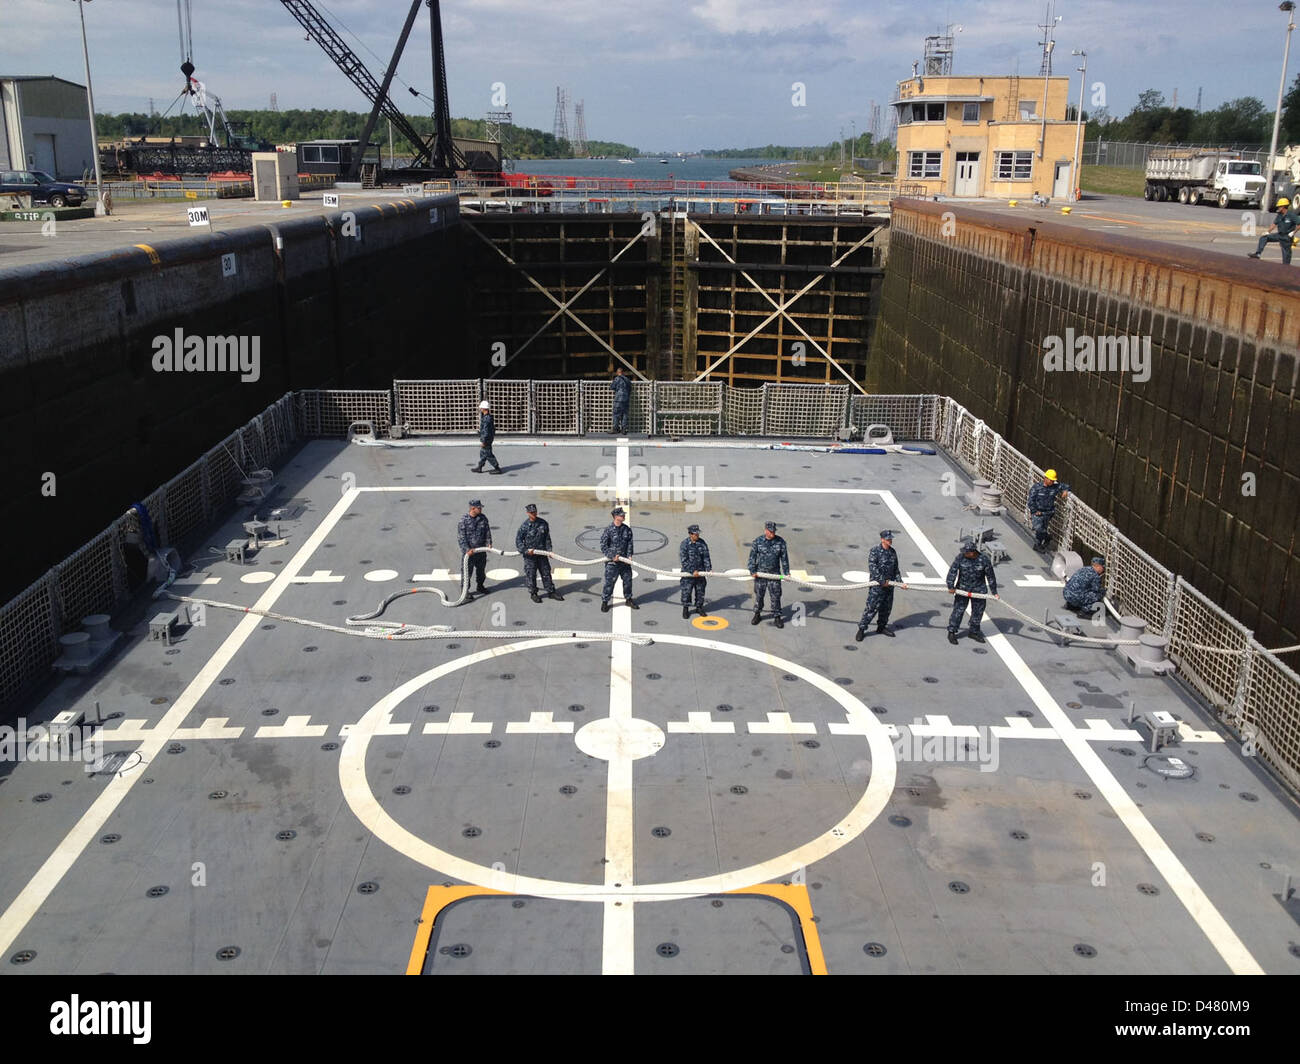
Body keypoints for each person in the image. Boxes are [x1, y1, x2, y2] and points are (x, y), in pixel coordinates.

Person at [856, 529, 908, 640]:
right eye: (888, 539)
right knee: (871, 608)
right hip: (877, 588)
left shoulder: (893, 552)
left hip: (889, 587)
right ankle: (862, 629)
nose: (890, 540)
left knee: (886, 609)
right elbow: (873, 568)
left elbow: (896, 570)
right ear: (882, 539)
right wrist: (882, 581)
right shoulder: (875, 551)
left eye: (891, 539)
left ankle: (881, 627)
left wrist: (900, 582)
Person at [946, 537, 998, 644]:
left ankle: (973, 632)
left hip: (979, 590)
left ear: (972, 553)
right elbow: (953, 571)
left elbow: (991, 577)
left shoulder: (984, 560)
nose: (964, 553)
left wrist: (994, 592)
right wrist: (950, 586)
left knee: (977, 612)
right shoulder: (961, 557)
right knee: (958, 611)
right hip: (962, 589)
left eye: (966, 552)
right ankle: (952, 631)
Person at [516, 504, 564, 603]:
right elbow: (518, 540)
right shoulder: (525, 526)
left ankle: (551, 592)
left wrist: (549, 550)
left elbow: (547, 538)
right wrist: (525, 550)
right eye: (531, 512)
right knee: (531, 574)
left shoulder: (543, 523)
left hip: (542, 554)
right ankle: (533, 593)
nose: (534, 514)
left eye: (535, 512)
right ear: (528, 513)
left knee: (546, 573)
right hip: (530, 557)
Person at [748, 521, 790, 628]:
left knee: (776, 596)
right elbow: (752, 557)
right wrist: (752, 570)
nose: (772, 533)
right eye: (770, 531)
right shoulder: (758, 542)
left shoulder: (780, 542)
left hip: (774, 575)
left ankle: (777, 617)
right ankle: (757, 614)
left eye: (774, 531)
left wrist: (786, 573)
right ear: (766, 530)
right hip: (760, 574)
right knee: (759, 596)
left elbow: (784, 559)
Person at [599, 507, 636, 612]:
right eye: (621, 515)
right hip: (612, 563)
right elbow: (603, 545)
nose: (623, 516)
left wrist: (629, 555)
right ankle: (605, 602)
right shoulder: (609, 530)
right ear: (615, 517)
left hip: (624, 562)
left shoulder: (627, 529)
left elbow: (630, 543)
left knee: (628, 581)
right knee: (609, 583)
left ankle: (628, 599)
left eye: (623, 514)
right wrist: (612, 556)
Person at [1027, 469, 1068, 552]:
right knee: (1038, 528)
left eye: (1053, 481)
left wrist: (1065, 490)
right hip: (1038, 512)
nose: (1052, 482)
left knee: (1043, 528)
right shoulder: (1037, 487)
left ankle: (1038, 545)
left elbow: (1065, 485)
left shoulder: (1054, 487)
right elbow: (1031, 500)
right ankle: (1047, 537)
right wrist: (1035, 510)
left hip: (1048, 513)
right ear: (1046, 478)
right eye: (1051, 480)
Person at [457, 499, 492, 597]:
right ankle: (465, 592)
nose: (481, 509)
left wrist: (489, 543)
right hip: (470, 554)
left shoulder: (483, 518)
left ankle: (480, 586)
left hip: (481, 552)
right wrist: (467, 550)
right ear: (473, 508)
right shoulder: (464, 521)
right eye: (479, 508)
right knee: (467, 573)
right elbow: (461, 538)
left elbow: (487, 531)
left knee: (481, 571)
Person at [1247, 196, 1298, 265]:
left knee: (1286, 255)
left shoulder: (1291, 215)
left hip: (1287, 237)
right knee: (1264, 238)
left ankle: (1286, 267)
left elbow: (1299, 224)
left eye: (1279, 207)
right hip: (1279, 235)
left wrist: (1293, 232)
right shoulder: (1280, 215)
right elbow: (1274, 224)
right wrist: (1268, 231)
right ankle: (1258, 254)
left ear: (1283, 207)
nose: (1278, 208)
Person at [679, 523, 711, 619]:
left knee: (700, 591)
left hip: (700, 573)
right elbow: (684, 561)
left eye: (698, 534)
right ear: (690, 534)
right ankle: (685, 609)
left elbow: (706, 557)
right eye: (695, 534)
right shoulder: (684, 544)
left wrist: (708, 568)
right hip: (688, 574)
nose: (697, 535)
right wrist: (692, 571)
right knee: (686, 592)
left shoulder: (702, 543)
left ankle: (699, 607)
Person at [472, 400, 503, 474]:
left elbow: (486, 431)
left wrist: (484, 441)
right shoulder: (489, 417)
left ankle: (497, 468)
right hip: (488, 438)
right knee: (483, 452)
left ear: (483, 408)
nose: (480, 409)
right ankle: (480, 467)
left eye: (481, 408)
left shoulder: (486, 419)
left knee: (488, 454)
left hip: (487, 439)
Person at [611, 366, 632, 434]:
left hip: (618, 399)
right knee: (625, 414)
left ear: (617, 373)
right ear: (623, 373)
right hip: (626, 399)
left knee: (616, 414)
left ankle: (615, 428)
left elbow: (612, 387)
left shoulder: (617, 379)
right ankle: (624, 429)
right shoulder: (627, 380)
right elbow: (630, 388)